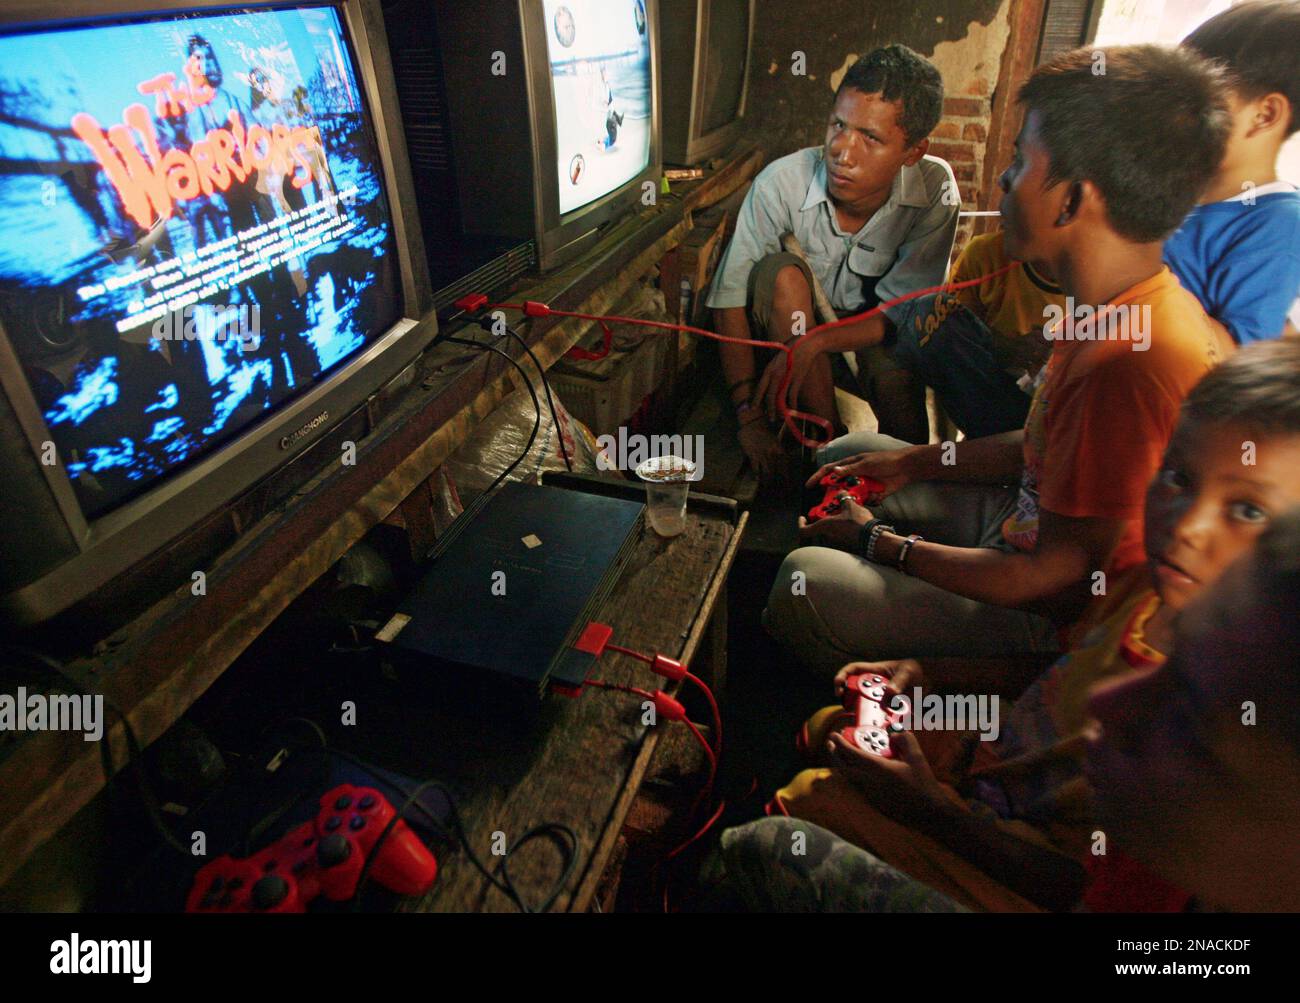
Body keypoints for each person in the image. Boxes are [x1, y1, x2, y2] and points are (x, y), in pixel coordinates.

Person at [766, 45, 1234, 670]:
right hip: (1026, 525)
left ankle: (918, 688)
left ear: (1071, 200)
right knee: (854, 458)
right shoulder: (1117, 303)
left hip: (1053, 624)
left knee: (806, 581)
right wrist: (911, 461)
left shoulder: (1129, 362)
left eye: (1019, 162)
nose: (1006, 182)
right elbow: (1040, 446)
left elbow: (1059, 582)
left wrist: (881, 544)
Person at [706, 44, 958, 478]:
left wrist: (818, 343)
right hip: (792, 330)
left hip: (872, 334)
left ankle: (899, 484)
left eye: (870, 138)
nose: (842, 149)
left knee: (900, 402)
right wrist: (748, 418)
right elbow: (728, 298)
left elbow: (903, 313)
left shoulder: (934, 190)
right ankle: (829, 456)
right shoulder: (781, 183)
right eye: (838, 124)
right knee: (781, 276)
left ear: (913, 151)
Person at [1164, 1, 1300, 345]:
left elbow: (1238, 357)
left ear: (1264, 115)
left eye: (1194, 102)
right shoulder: (1171, 187)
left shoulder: (1277, 225)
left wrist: (1133, 282)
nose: (1170, 115)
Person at [886, 227, 1066, 438]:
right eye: (1006, 191)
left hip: (1064, 416)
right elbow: (953, 353)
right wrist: (1006, 348)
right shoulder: (986, 254)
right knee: (930, 312)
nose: (1004, 204)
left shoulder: (1104, 276)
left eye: (1012, 192)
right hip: (998, 403)